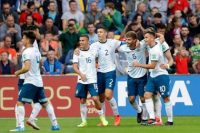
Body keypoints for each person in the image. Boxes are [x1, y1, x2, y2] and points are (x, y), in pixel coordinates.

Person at [10, 31, 60, 132]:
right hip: (38, 80)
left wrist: (18, 72)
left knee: (20, 102)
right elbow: (39, 63)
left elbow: (27, 67)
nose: (22, 40)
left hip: (30, 81)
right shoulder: (36, 51)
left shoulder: (26, 52)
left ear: (28, 40)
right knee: (44, 102)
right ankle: (55, 125)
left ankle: (20, 126)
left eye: (23, 38)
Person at [133, 30, 173, 126]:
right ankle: (152, 118)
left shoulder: (157, 48)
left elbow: (152, 66)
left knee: (165, 97)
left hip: (161, 75)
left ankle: (170, 120)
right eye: (144, 37)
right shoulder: (152, 43)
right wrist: (158, 35)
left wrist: (139, 65)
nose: (144, 39)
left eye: (146, 37)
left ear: (152, 38)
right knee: (147, 95)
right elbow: (140, 43)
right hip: (152, 75)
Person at [73, 35, 108, 127]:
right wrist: (81, 74)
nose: (80, 42)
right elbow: (75, 67)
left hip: (92, 79)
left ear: (88, 42)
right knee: (82, 100)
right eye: (80, 40)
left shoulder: (94, 51)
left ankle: (102, 118)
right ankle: (84, 121)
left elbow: (102, 55)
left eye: (83, 40)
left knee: (95, 99)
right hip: (81, 80)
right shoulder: (77, 52)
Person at [91, 26, 121, 126]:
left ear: (105, 33)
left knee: (108, 95)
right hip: (99, 73)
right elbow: (89, 55)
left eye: (100, 32)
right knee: (101, 98)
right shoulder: (94, 45)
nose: (98, 34)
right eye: (97, 32)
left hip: (110, 72)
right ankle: (103, 120)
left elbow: (125, 43)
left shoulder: (113, 42)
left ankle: (116, 116)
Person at [117, 31, 147, 124]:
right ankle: (139, 111)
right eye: (126, 39)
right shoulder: (123, 48)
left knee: (143, 98)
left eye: (129, 39)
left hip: (142, 74)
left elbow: (152, 39)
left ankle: (145, 118)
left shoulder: (142, 45)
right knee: (131, 99)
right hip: (131, 75)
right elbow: (113, 47)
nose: (127, 41)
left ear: (135, 40)